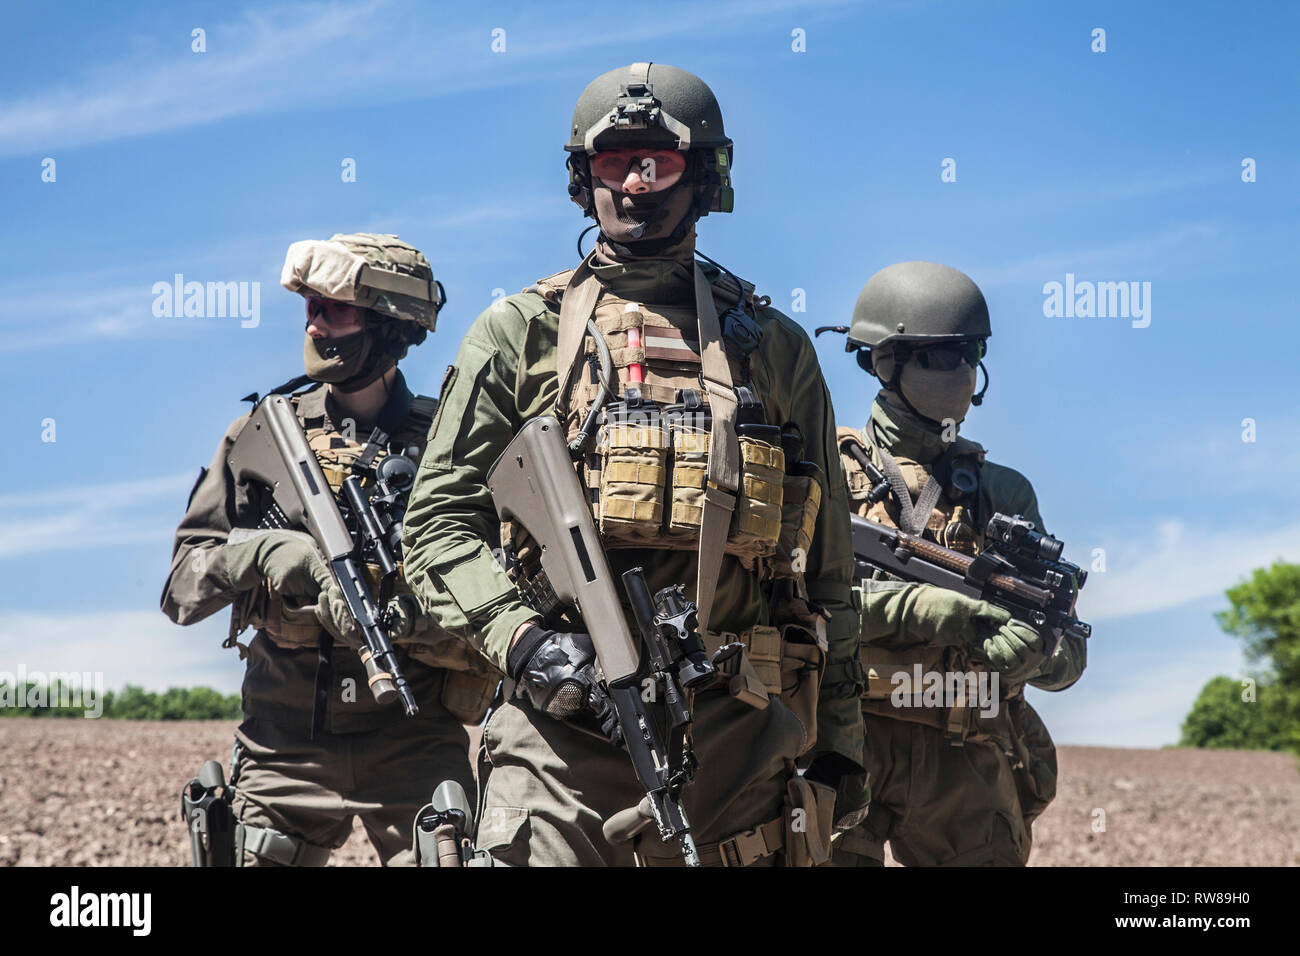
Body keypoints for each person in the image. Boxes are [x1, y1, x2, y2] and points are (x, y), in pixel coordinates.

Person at [400, 62, 866, 866]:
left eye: (661, 160)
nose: (637, 183)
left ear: (706, 178)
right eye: (615, 162)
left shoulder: (778, 350)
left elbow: (829, 571)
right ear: (583, 179)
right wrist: (525, 646)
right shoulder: (519, 333)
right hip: (557, 737)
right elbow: (438, 525)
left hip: (737, 733)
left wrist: (844, 740)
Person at [161, 233, 497, 866]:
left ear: (389, 325)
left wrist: (402, 618)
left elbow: (496, 598)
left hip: (414, 738)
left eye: (334, 310)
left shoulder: (446, 447)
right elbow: (181, 588)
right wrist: (262, 556)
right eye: (309, 309)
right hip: (283, 745)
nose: (315, 325)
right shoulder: (260, 434)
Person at [828, 260, 1087, 866]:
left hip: (967, 754)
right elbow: (798, 606)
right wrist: (930, 611)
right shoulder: (828, 471)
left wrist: (1036, 654)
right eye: (938, 356)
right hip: (845, 738)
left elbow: (1070, 654)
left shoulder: (1003, 494)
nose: (961, 372)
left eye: (969, 354)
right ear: (881, 360)